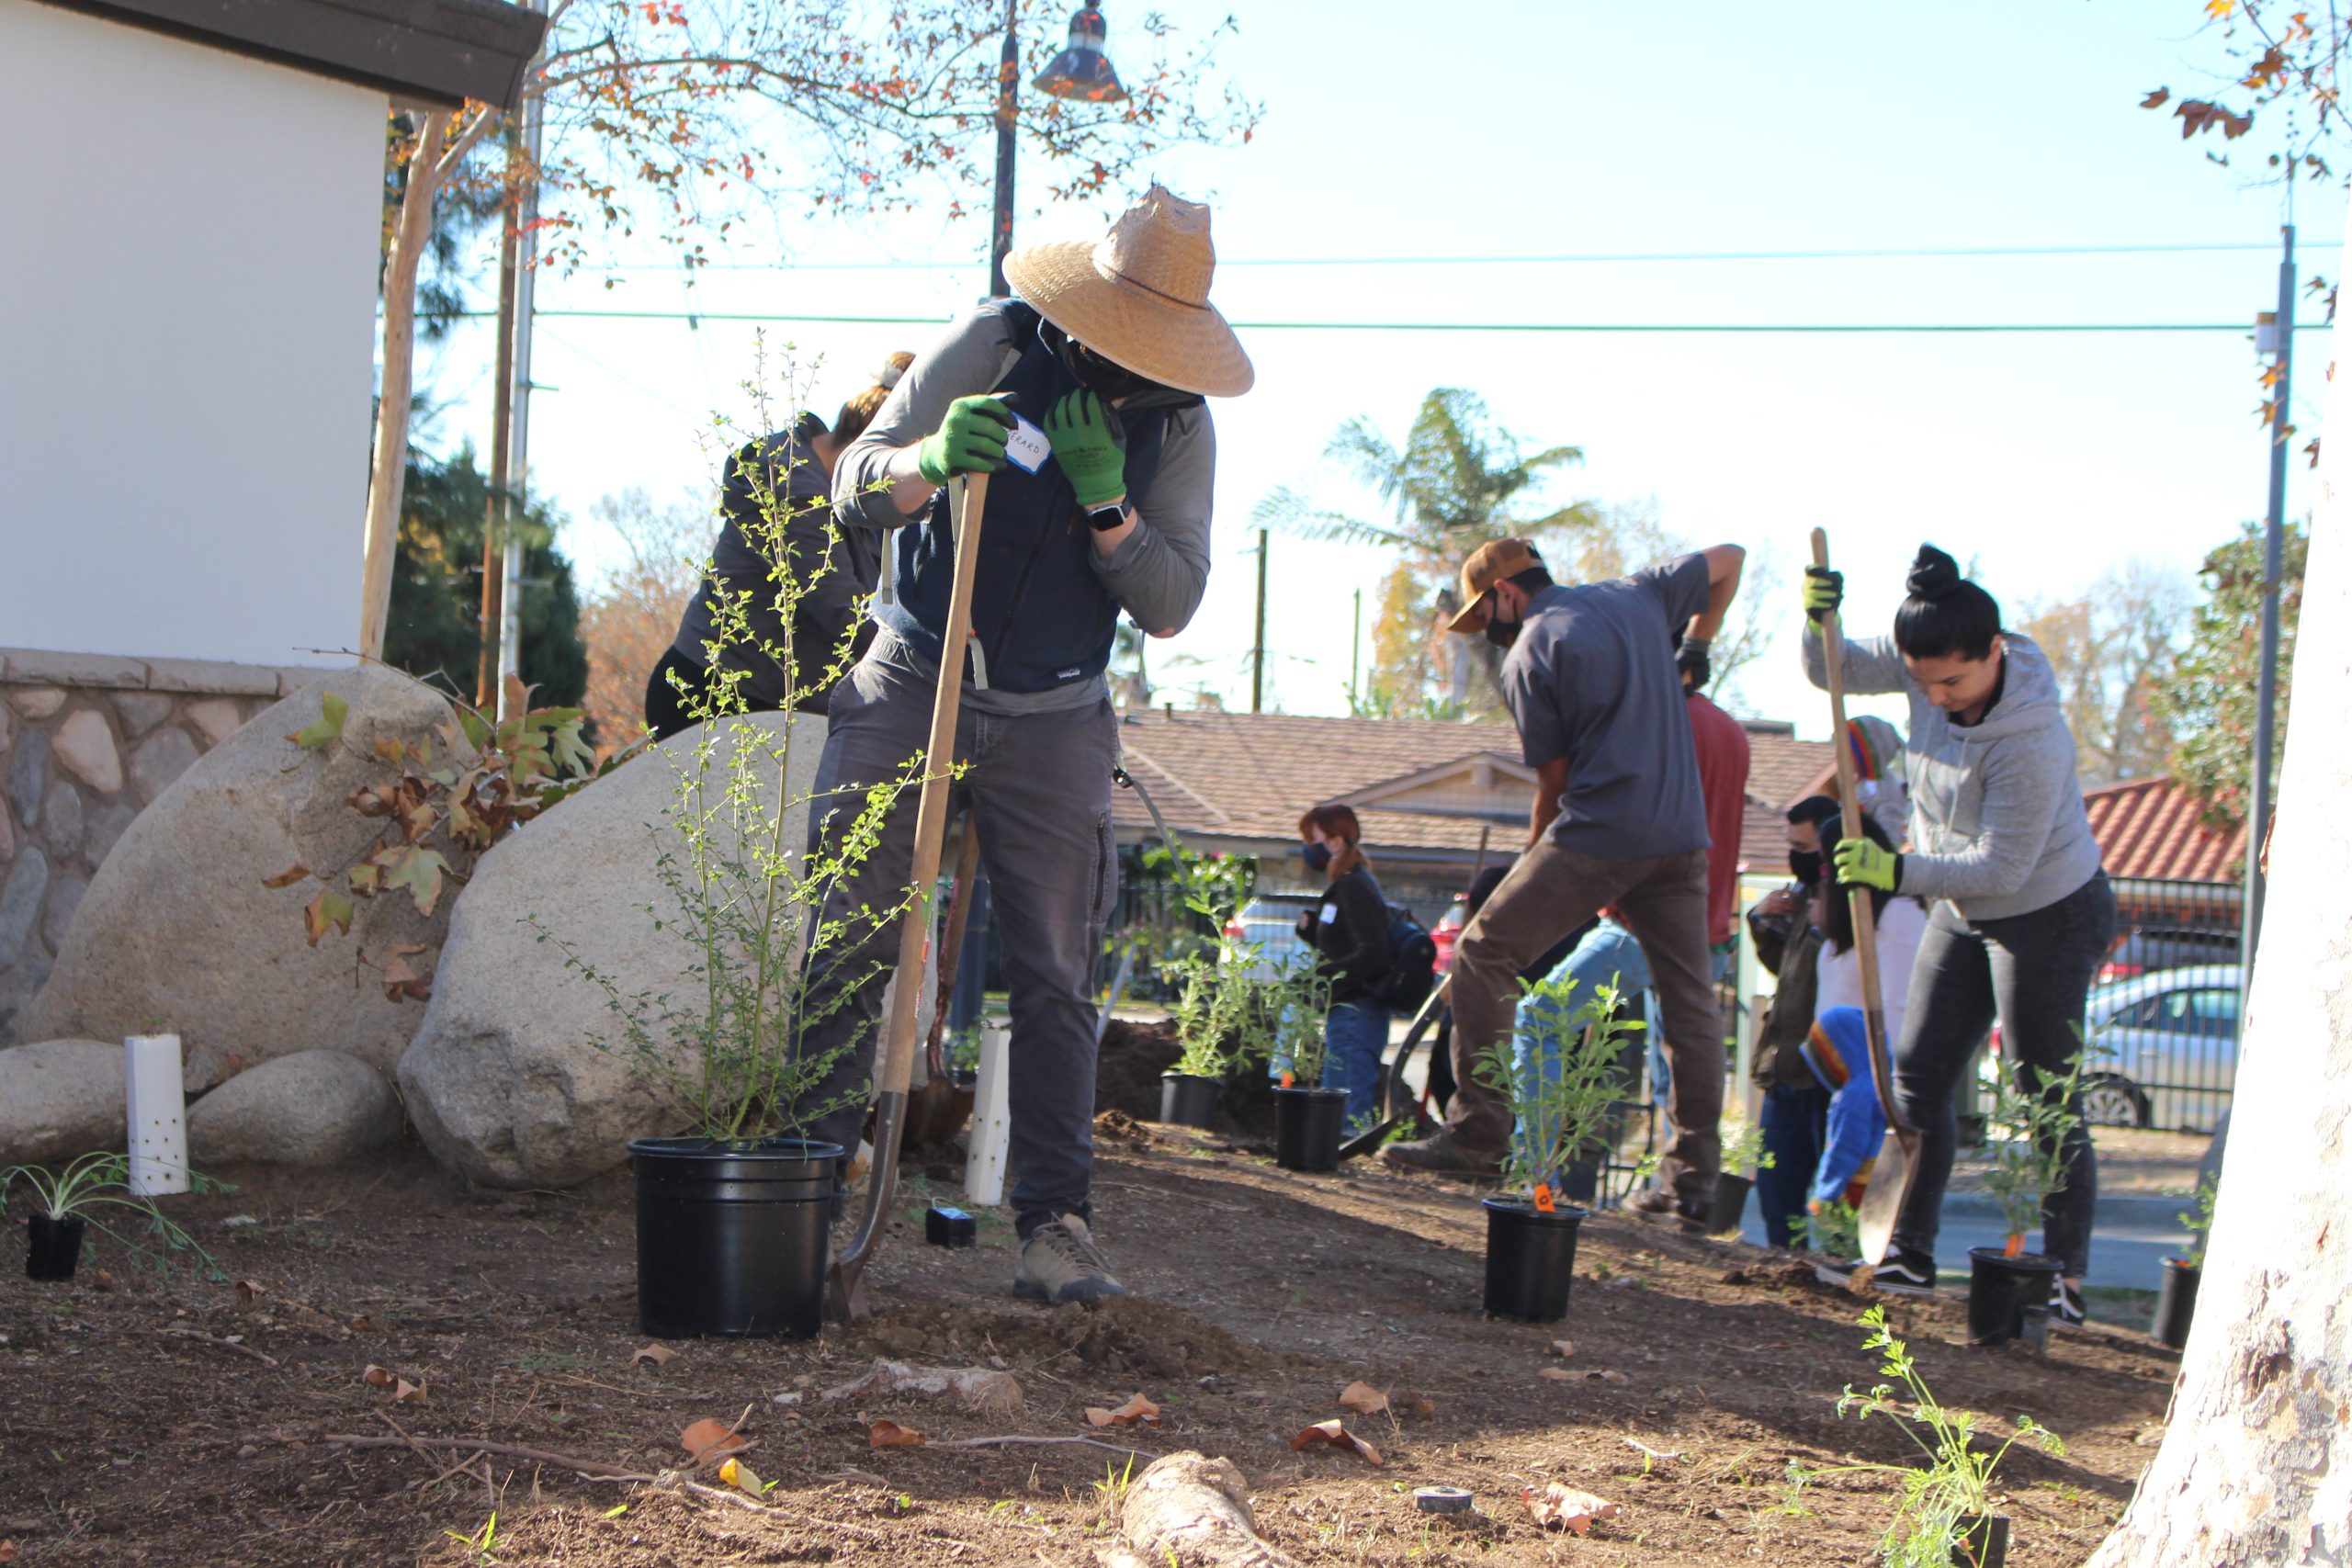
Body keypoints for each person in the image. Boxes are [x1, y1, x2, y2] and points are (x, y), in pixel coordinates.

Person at [782, 186, 1250, 1306]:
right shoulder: (989, 345)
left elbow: (1174, 599)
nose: (1121, 369)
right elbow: (852, 485)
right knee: (852, 926)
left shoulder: (1178, 423)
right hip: (914, 672)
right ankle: (797, 1185)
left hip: (1056, 715)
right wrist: (929, 460)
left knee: (1054, 976)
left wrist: (1110, 512)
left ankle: (1054, 1228)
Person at [1385, 536, 1747, 1236]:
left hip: (1601, 834)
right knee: (1690, 1002)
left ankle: (1477, 1135)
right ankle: (1694, 1182)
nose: (1486, 631)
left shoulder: (1530, 652)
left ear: (1505, 594)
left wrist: (1526, 870)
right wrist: (1697, 646)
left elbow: (1553, 785)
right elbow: (1729, 557)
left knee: (1484, 951)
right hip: (1681, 837)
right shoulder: (1638, 593)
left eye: (1482, 616)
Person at [1804, 544, 2115, 1324]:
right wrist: (1816, 622)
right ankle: (1905, 1254)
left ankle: (2061, 1278)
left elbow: (2003, 868)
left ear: (1995, 651)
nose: (1937, 695)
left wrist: (1895, 872)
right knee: (1916, 1077)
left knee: (2042, 1090)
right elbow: (1829, 668)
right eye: (1922, 679)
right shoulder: (1923, 669)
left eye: (1955, 679)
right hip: (1963, 905)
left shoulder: (2032, 736)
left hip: (2047, 910)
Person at [646, 352, 915, 738]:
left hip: (776, 707)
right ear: (877, 451)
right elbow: (838, 608)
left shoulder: (860, 503)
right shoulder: (789, 485)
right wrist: (932, 665)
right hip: (715, 699)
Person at [1746, 795, 1840, 1248]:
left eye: (1806, 848)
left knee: (1836, 1197)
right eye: (1793, 846)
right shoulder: (1803, 895)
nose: (1797, 858)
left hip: (1826, 1074)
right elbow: (1788, 971)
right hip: (1785, 1072)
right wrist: (1763, 921)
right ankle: (1789, 1273)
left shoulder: (1855, 904)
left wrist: (1830, 924)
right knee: (1775, 1190)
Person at [1293, 805, 1391, 1130]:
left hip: (1357, 1009)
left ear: (1335, 842)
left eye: (1314, 839)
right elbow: (1348, 945)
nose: (1310, 848)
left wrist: (1321, 976)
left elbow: (1373, 952)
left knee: (1347, 1109)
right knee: (1339, 1100)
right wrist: (1312, 932)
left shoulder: (1354, 885)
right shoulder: (1349, 883)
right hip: (1347, 1008)